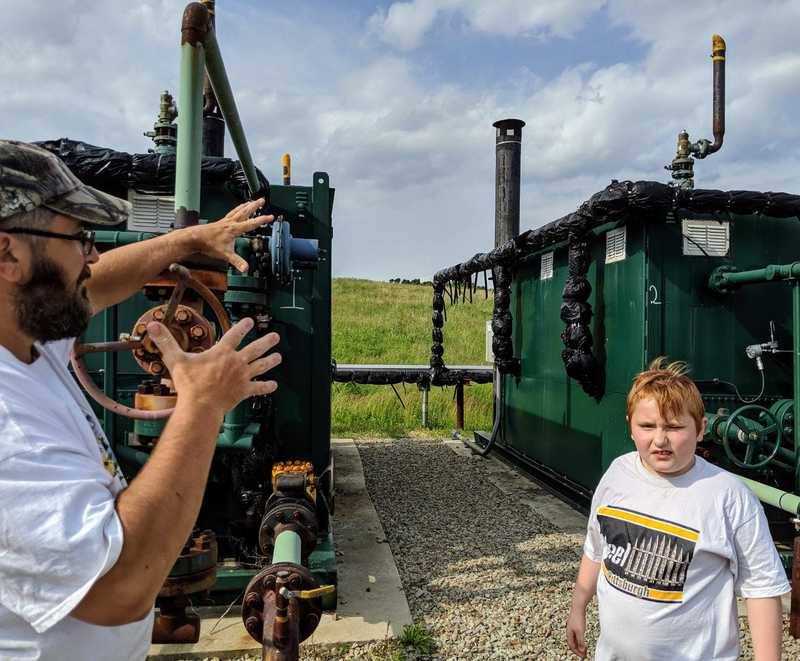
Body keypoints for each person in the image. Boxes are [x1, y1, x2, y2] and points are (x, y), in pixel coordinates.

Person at [0, 140, 282, 660]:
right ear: (8, 254)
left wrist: (188, 240)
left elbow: (95, 285)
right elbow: (119, 588)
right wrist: (201, 406)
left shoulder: (23, 334)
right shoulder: (8, 423)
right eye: (78, 238)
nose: (92, 256)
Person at [566, 357, 790, 661]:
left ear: (700, 429)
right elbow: (596, 548)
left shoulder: (729, 496)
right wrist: (578, 606)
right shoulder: (616, 475)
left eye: (674, 427)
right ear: (630, 426)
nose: (660, 439)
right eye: (647, 426)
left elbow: (762, 590)